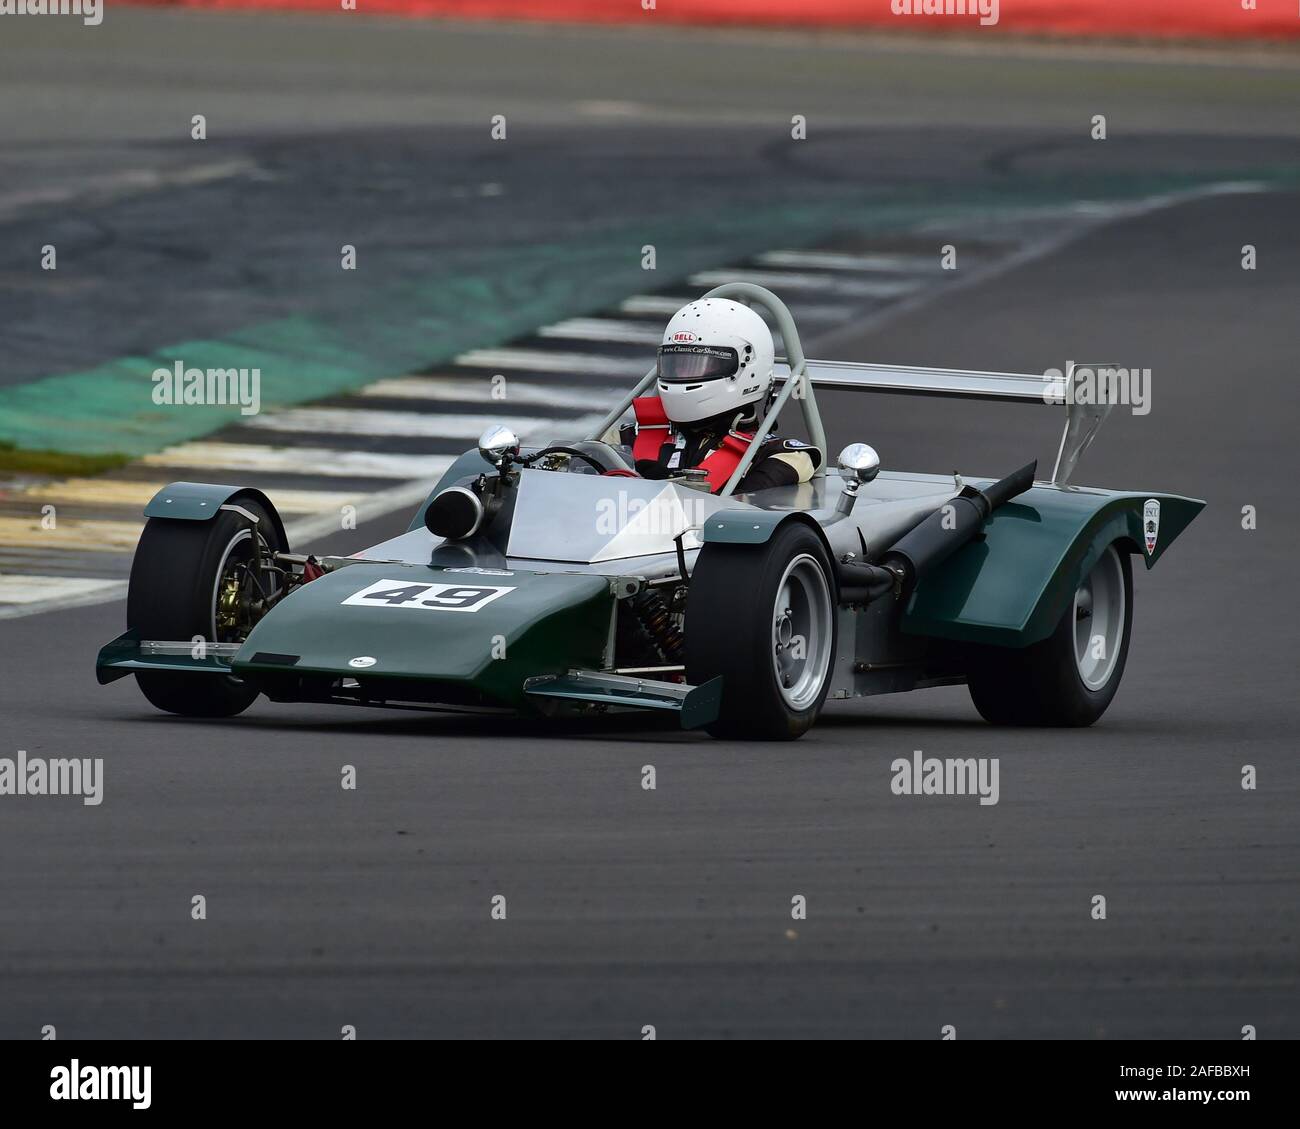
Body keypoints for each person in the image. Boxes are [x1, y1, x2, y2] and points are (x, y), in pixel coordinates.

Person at [619, 298, 821, 493]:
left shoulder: (783, 456)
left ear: (747, 366)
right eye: (677, 364)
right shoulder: (628, 438)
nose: (682, 375)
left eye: (698, 365)